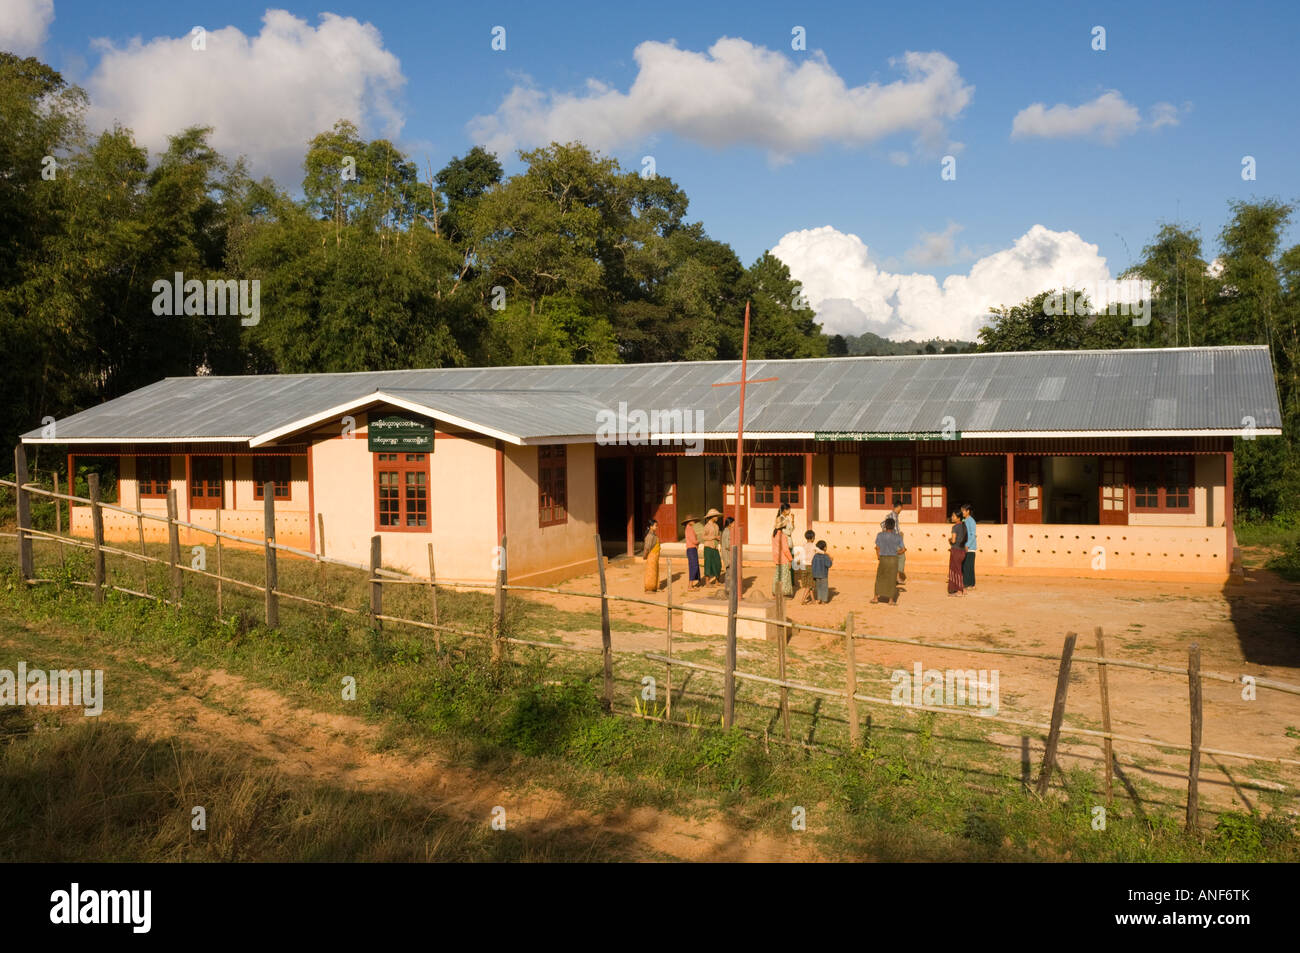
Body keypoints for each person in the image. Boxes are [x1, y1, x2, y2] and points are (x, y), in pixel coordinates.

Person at [873, 517, 905, 604]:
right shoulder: (898, 537)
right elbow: (903, 550)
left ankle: (876, 598)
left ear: (885, 526)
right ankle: (891, 600)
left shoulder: (880, 535)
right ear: (893, 526)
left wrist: (878, 556)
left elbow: (877, 547)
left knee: (880, 578)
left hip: (883, 558)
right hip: (893, 559)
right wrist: (896, 552)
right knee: (892, 579)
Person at [880, 501, 907, 583]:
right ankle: (898, 577)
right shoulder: (892, 516)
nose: (901, 510)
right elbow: (884, 526)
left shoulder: (891, 515)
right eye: (901, 508)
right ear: (898, 507)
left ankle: (894, 577)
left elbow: (882, 525)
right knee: (901, 556)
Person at [700, 508, 723, 585]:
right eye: (716, 516)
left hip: (715, 547)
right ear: (712, 517)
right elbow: (703, 537)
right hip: (708, 547)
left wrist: (718, 539)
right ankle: (707, 582)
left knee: (718, 564)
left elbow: (718, 535)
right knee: (708, 564)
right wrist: (713, 537)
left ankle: (717, 580)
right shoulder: (707, 526)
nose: (717, 517)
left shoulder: (716, 526)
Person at [947, 510, 967, 595]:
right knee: (959, 569)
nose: (952, 517)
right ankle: (963, 589)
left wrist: (950, 540)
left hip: (956, 550)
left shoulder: (955, 527)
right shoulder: (964, 526)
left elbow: (954, 540)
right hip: (962, 550)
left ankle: (959, 590)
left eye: (954, 516)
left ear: (958, 518)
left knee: (956, 570)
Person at [771, 526, 793, 598]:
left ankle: (775, 592)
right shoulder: (782, 536)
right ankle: (784, 594)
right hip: (784, 558)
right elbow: (785, 549)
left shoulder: (774, 534)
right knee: (785, 576)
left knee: (777, 576)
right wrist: (790, 559)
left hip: (777, 558)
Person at [796, 529, 816, 604]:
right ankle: (803, 600)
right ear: (813, 537)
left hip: (804, 566)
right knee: (809, 585)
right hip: (810, 566)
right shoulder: (814, 545)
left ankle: (813, 600)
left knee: (809, 584)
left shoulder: (803, 545)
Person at [682, 515, 701, 589]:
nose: (694, 522)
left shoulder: (689, 528)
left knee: (694, 565)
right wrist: (697, 542)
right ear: (689, 521)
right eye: (693, 521)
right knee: (693, 566)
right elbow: (693, 540)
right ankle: (690, 585)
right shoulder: (689, 529)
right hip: (691, 549)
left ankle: (691, 584)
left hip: (692, 548)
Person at [961, 503, 977, 590]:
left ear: (968, 511)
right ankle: (971, 584)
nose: (962, 512)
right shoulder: (964, 520)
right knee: (966, 565)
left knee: (968, 566)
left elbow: (973, 535)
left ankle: (968, 584)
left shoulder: (971, 521)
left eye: (963, 510)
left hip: (970, 547)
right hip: (965, 546)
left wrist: (967, 545)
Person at [643, 518, 661, 592]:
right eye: (655, 526)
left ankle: (654, 587)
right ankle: (649, 588)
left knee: (655, 571)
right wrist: (645, 556)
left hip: (655, 556)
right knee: (651, 572)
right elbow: (647, 547)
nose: (656, 527)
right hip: (651, 556)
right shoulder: (650, 536)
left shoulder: (654, 535)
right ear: (651, 526)